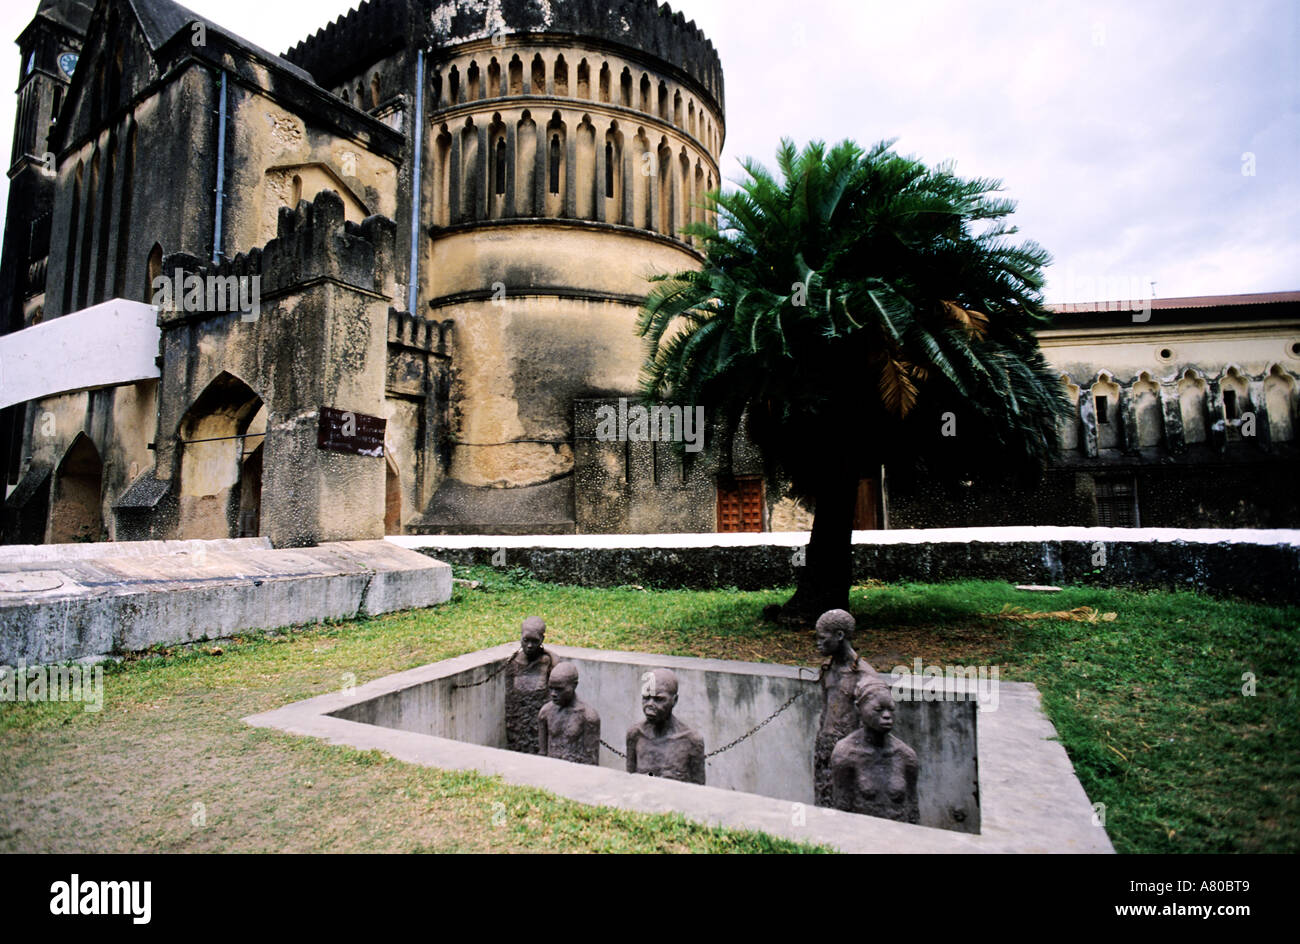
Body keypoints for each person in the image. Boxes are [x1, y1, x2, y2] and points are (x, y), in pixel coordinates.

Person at [830, 676, 919, 824]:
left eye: (891, 710)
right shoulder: (845, 754)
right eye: (878, 710)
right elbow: (841, 810)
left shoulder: (906, 756)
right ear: (859, 708)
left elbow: (913, 810)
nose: (886, 716)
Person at [812, 608, 875, 807]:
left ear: (839, 636)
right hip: (825, 749)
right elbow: (826, 710)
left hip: (852, 751)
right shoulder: (828, 670)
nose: (818, 643)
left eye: (823, 638)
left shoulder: (864, 675)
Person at [625, 668, 705, 784]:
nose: (650, 705)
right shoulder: (635, 734)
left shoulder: (691, 740)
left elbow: (699, 790)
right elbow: (630, 782)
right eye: (646, 698)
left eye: (659, 699)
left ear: (674, 700)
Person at [505, 616, 554, 753]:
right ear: (520, 637)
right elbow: (509, 702)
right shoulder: (513, 663)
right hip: (518, 728)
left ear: (542, 640)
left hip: (540, 728)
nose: (530, 646)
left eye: (535, 641)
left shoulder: (548, 663)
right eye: (526, 640)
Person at [537, 662, 601, 765]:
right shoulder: (545, 712)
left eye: (559, 689)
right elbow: (542, 753)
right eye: (551, 688)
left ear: (574, 685)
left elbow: (592, 759)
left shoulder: (588, 716)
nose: (553, 694)